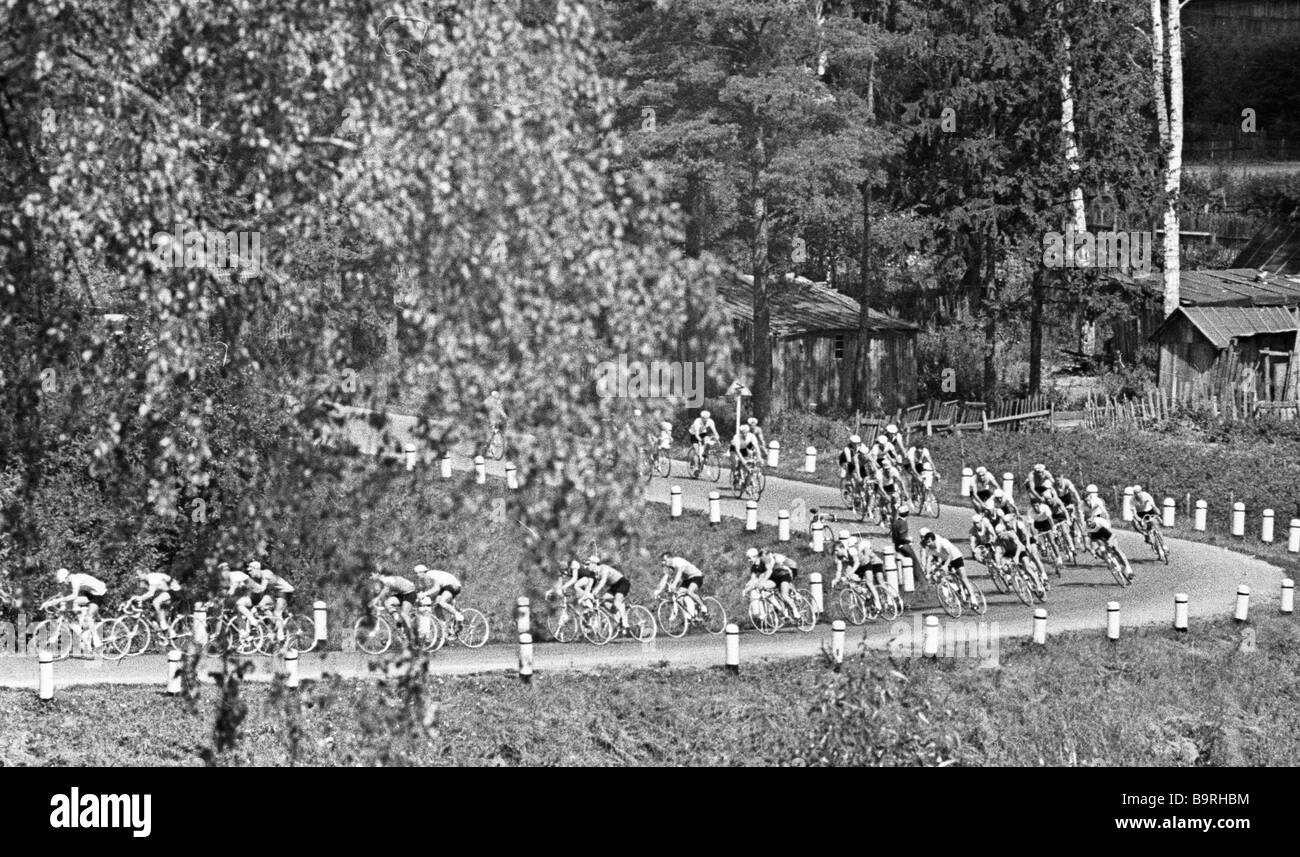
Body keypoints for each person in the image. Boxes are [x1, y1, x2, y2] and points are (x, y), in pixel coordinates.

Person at [43, 567, 108, 648]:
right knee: (73, 604)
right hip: (90, 593)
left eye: (63, 582)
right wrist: (50, 602)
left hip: (99, 593)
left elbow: (74, 595)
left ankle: (96, 640)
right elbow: (63, 594)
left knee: (88, 617)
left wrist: (59, 601)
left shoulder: (75, 580)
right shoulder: (69, 580)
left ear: (67, 577)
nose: (63, 584)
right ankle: (84, 628)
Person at [918, 528, 978, 603]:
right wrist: (927, 571)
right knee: (942, 576)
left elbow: (950, 555)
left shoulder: (940, 541)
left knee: (963, 577)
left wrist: (945, 565)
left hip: (955, 556)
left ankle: (973, 598)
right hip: (944, 558)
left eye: (924, 537)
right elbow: (927, 558)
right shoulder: (926, 542)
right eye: (921, 537)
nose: (924, 540)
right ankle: (955, 590)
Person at [1084, 492, 1134, 580]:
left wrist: (1110, 542)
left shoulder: (1100, 521)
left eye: (1090, 521)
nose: (1089, 523)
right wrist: (1091, 549)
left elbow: (1112, 535)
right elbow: (1088, 541)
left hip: (1106, 534)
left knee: (1116, 549)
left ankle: (1128, 569)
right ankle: (1108, 561)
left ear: (1093, 518)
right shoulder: (1087, 527)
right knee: (1098, 551)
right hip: (1096, 536)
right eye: (1087, 522)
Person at [742, 547, 800, 618]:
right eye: (748, 558)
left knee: (784, 594)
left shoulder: (763, 560)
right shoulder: (753, 567)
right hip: (774, 578)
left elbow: (769, 571)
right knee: (763, 588)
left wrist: (763, 580)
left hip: (783, 574)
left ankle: (795, 611)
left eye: (749, 558)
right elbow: (753, 580)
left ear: (755, 557)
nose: (748, 560)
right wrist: (746, 589)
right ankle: (780, 608)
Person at [586, 555, 631, 632]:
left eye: (588, 564)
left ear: (594, 564)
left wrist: (595, 591)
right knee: (603, 602)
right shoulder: (592, 573)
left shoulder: (604, 568)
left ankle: (625, 622)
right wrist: (586, 595)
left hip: (622, 583)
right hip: (613, 586)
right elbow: (589, 586)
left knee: (617, 602)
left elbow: (603, 581)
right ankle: (619, 618)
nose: (587, 566)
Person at [369, 570, 420, 638]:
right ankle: (399, 620)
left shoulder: (385, 579)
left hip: (410, 593)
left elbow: (385, 590)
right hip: (402, 594)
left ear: (377, 574)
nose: (370, 578)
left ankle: (413, 635)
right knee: (387, 603)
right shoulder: (379, 582)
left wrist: (376, 599)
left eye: (371, 575)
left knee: (403, 614)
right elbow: (380, 594)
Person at [890, 506, 923, 577]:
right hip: (904, 546)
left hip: (896, 546)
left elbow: (894, 536)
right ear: (907, 514)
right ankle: (918, 577)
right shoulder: (903, 523)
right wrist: (910, 539)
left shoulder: (895, 522)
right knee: (915, 562)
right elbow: (902, 537)